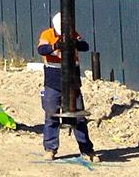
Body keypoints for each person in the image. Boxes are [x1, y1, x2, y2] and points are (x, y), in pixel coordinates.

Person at [36, 11, 97, 161]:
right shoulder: (48, 35)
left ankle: (87, 150)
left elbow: (85, 46)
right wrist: (55, 45)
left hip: (72, 81)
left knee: (79, 117)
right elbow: (41, 49)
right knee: (51, 115)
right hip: (53, 81)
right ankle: (50, 149)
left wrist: (74, 42)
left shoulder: (73, 34)